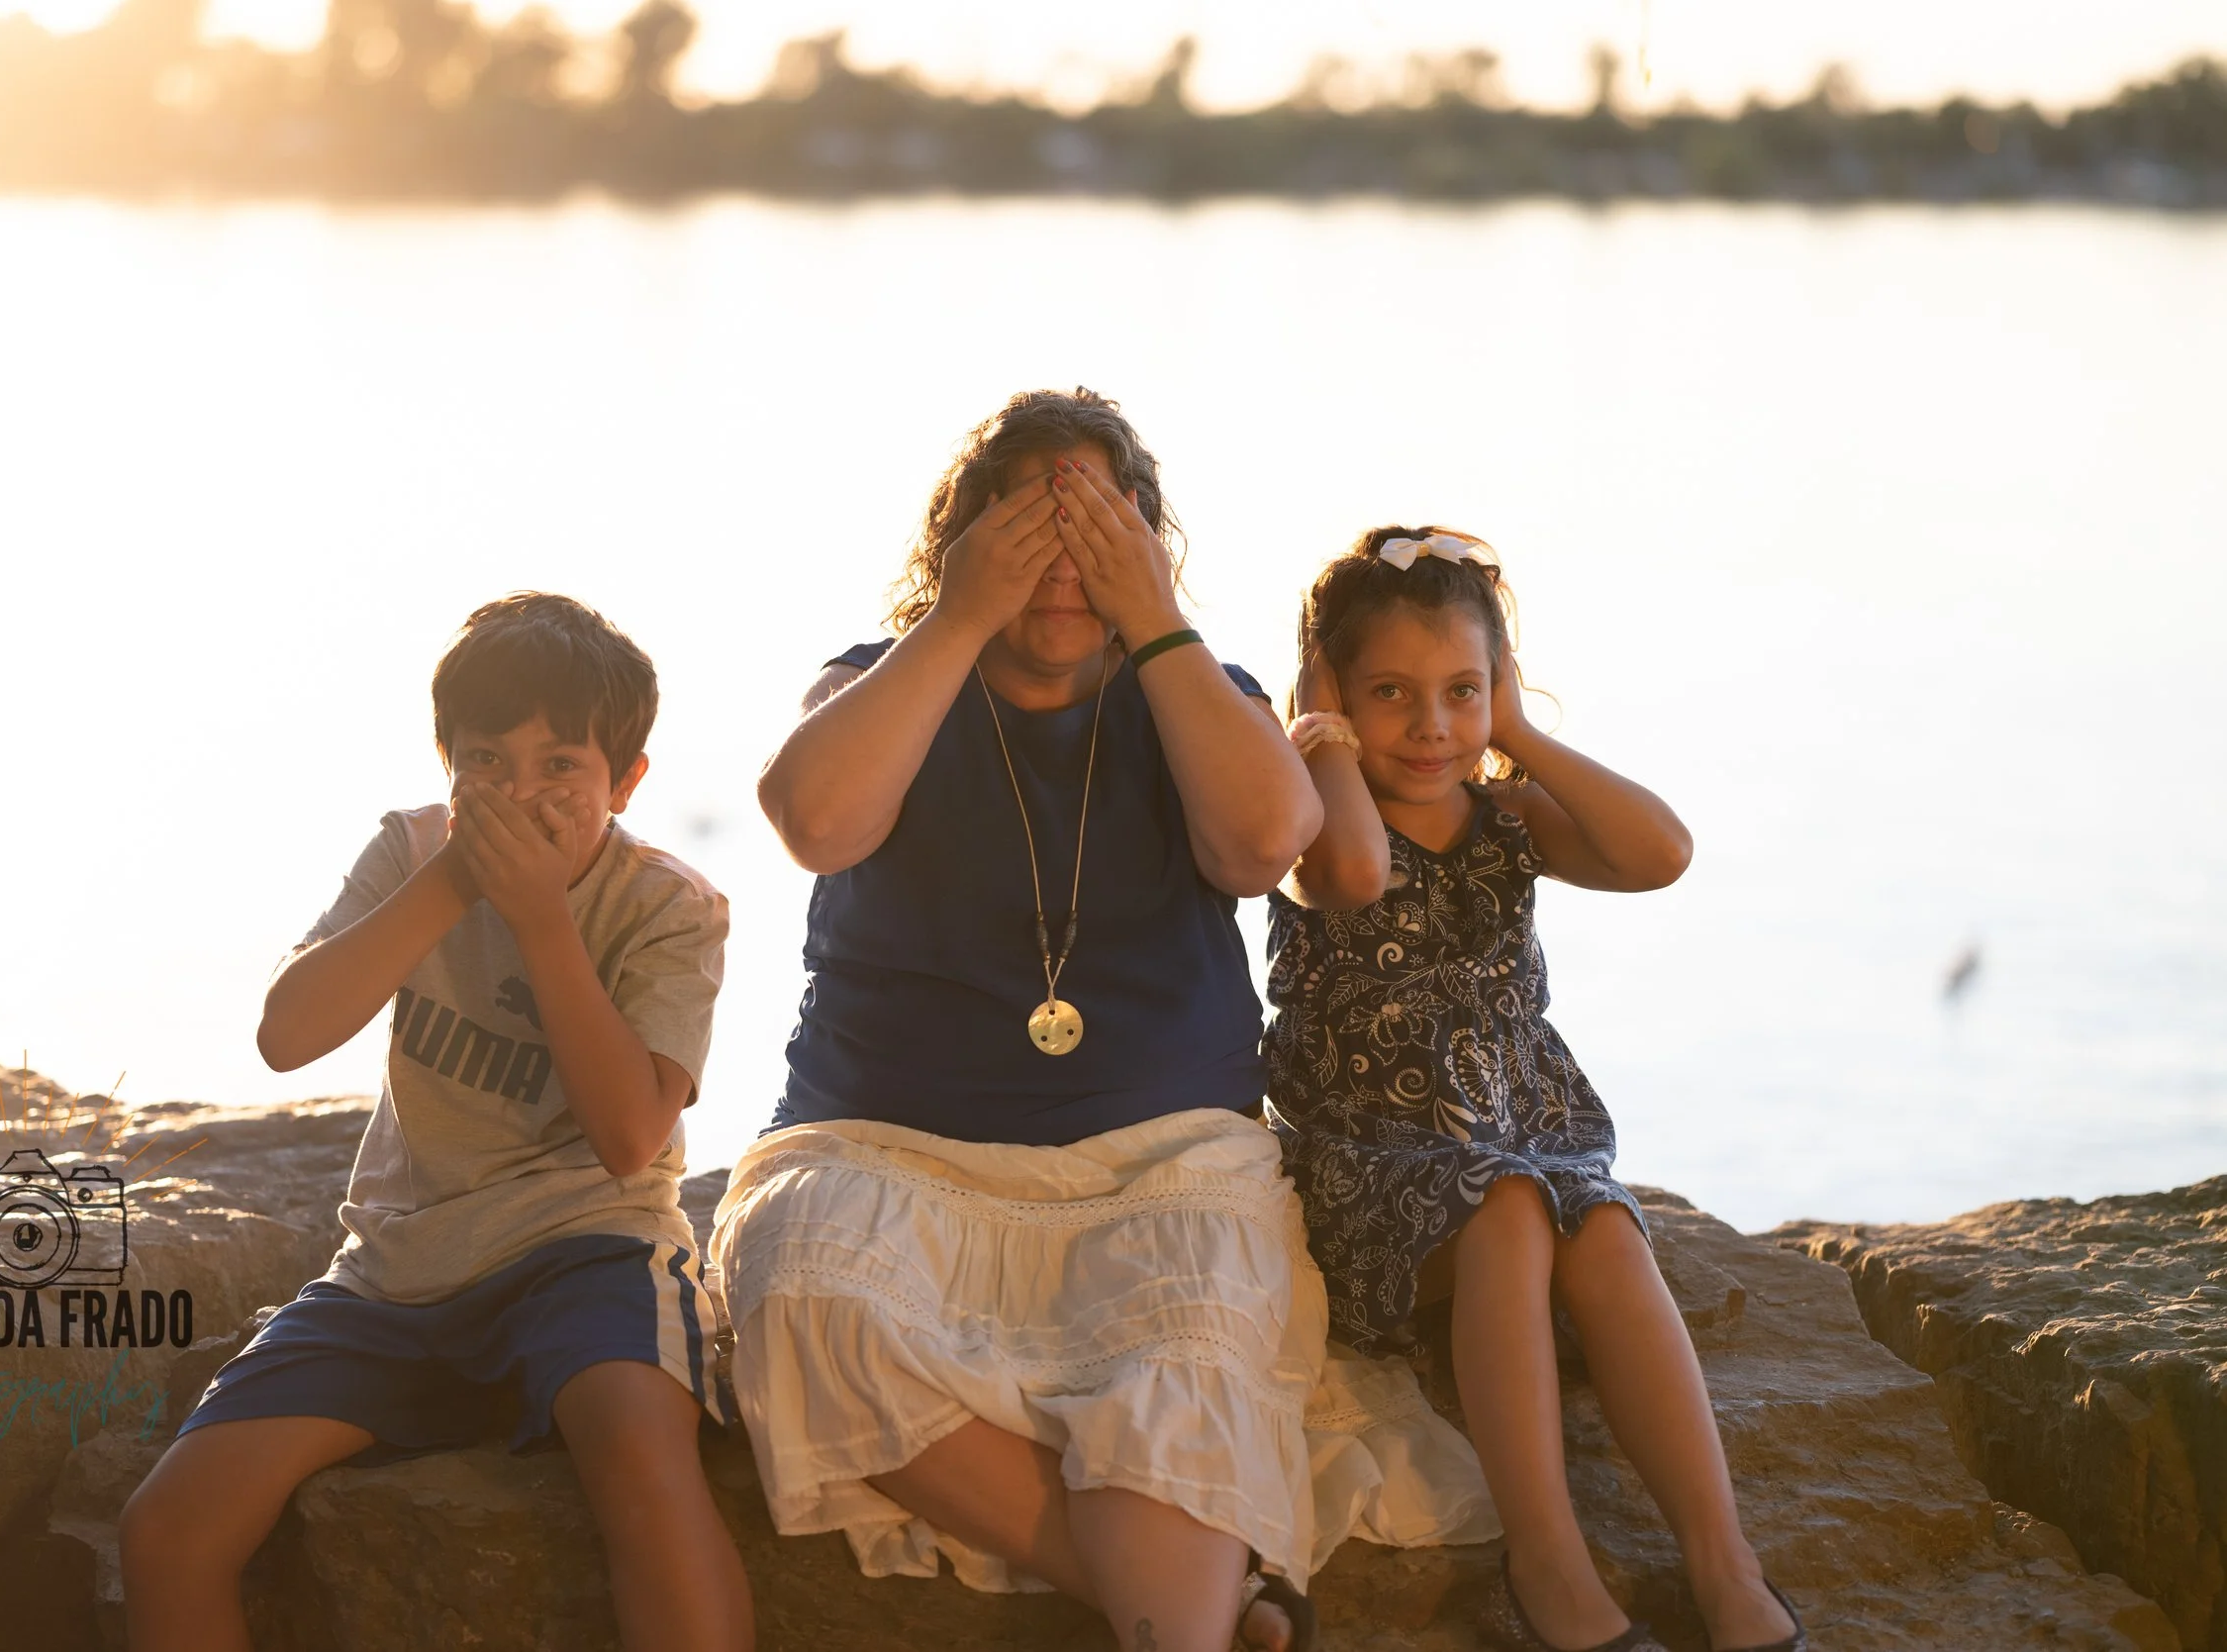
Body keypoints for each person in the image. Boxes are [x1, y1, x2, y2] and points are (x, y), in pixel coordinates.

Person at [716, 390, 1498, 1652]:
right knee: (801, 1290)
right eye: (1029, 524)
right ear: (961, 541)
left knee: (1183, 1358)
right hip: (884, 1153)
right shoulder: (878, 681)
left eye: (1098, 529)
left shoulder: (1204, 690)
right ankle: (1213, 1605)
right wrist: (962, 612)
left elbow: (1261, 844)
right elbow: (815, 819)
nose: (1060, 562)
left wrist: (1154, 620)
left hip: (1162, 1163)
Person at [120, 593, 752, 1652]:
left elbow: (630, 1135)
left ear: (625, 780)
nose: (520, 791)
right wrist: (458, 879)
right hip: (394, 1275)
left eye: (561, 767)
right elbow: (288, 1033)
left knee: (642, 1462)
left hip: (584, 1251)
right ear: (446, 762)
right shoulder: (413, 851)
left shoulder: (669, 906)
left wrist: (543, 919)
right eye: (487, 761)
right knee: (167, 1530)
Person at [1264, 529, 1808, 1652]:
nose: (1430, 725)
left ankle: (1723, 1561)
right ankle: (1548, 1561)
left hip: (1524, 1129)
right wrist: (1313, 728)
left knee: (1603, 1222)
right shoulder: (1311, 820)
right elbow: (1359, 876)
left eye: (1461, 691)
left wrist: (1515, 733)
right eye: (1390, 694)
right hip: (1374, 1164)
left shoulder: (1506, 818)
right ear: (1333, 691)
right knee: (1507, 1206)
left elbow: (1661, 852)